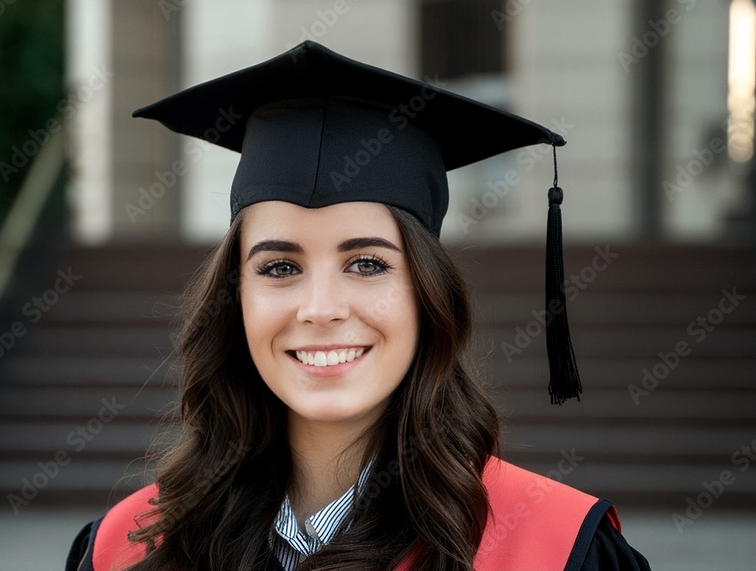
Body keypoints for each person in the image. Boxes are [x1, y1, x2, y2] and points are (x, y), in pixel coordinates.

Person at [64, 40, 651, 571]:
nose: (320, 309)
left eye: (367, 263)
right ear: (234, 298)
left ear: (428, 292)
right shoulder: (129, 547)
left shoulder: (552, 548)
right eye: (279, 267)